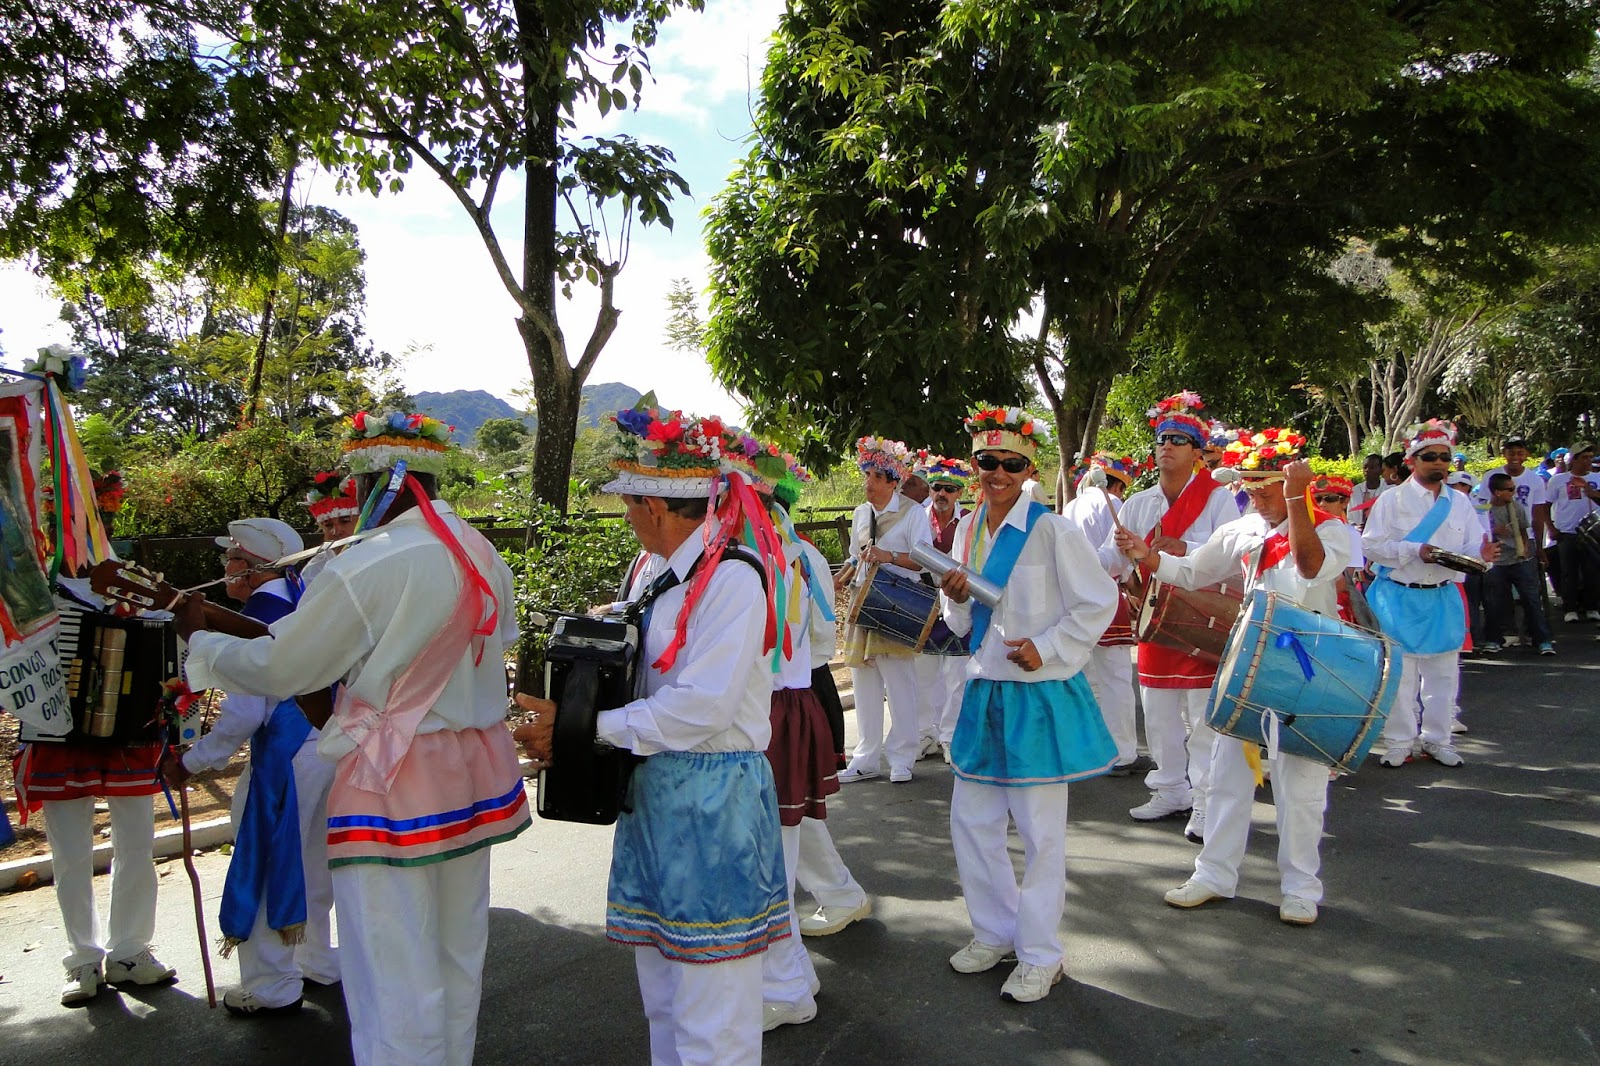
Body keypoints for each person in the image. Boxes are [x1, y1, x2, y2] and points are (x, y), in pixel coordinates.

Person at [181, 411, 529, 1066]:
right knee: (458, 951)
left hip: (391, 774)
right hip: (475, 769)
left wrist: (202, 642)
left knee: (391, 968)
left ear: (382, 485)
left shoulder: (374, 562)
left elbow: (284, 666)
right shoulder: (483, 551)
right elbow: (495, 646)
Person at [523, 405, 788, 1066]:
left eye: (628, 504)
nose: (625, 516)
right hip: (655, 792)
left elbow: (703, 707)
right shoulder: (650, 575)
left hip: (713, 799)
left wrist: (588, 730)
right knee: (663, 995)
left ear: (657, 508)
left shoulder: (732, 578)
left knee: (713, 1005)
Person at [1117, 432, 1348, 926]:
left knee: (1300, 786)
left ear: (1295, 485)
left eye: (1266, 488)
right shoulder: (1243, 529)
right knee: (1226, 776)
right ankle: (1214, 874)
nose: (1256, 497)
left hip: (1305, 668)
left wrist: (1294, 500)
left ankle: (1300, 887)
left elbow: (1310, 569)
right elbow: (1191, 571)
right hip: (1247, 663)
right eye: (1251, 487)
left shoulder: (1330, 529)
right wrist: (1144, 554)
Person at [938, 404, 1118, 1003]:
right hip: (985, 689)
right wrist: (956, 598)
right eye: (987, 461)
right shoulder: (966, 529)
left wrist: (1047, 646)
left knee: (1041, 832)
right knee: (972, 821)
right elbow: (961, 624)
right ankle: (994, 931)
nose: (996, 472)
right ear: (975, 465)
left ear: (1027, 467)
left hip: (1036, 694)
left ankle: (1041, 953)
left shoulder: (1052, 529)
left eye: (1009, 464)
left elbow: (1098, 602)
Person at [162, 518, 339, 1016]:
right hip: (323, 746)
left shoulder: (263, 611)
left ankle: (270, 984)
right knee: (311, 862)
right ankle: (315, 960)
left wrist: (192, 763)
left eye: (232, 560)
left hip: (285, 756)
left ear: (255, 567)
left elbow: (243, 714)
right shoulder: (305, 598)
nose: (226, 569)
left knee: (265, 863)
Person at [14, 618, 177, 1005]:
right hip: (58, 734)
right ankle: (83, 957)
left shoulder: (135, 597)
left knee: (138, 844)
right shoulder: (38, 595)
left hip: (132, 735)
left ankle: (130, 950)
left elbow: (173, 663)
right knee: (70, 855)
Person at [1107, 392, 1239, 843]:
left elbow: (1233, 556)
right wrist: (1120, 556)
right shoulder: (1139, 503)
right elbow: (1112, 558)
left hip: (1201, 616)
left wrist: (1188, 549)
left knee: (1202, 717)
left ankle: (1205, 800)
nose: (1167, 446)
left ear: (1198, 454)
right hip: (1151, 614)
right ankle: (1170, 788)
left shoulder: (1220, 500)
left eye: (1179, 440)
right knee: (1159, 712)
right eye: (1163, 438)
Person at [1364, 420, 1498, 769]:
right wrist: (1413, 551)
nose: (1438, 463)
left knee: (1443, 676)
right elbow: (1372, 546)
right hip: (1398, 596)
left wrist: (1483, 559)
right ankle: (1399, 742)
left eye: (1443, 457)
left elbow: (1473, 547)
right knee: (1401, 678)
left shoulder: (1461, 503)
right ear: (1412, 461)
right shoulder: (1391, 500)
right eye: (1430, 457)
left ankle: (1438, 740)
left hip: (1442, 594)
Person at [837, 435, 931, 783]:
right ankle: (865, 757)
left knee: (900, 682)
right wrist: (841, 577)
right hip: (864, 601)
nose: (869, 483)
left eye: (877, 477)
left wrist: (888, 556)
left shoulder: (913, 513)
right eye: (867, 475)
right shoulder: (861, 513)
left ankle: (903, 756)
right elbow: (854, 554)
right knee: (864, 679)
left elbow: (925, 562)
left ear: (894, 481)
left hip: (895, 603)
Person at [1063, 453, 1149, 776]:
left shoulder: (1069, 507)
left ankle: (1081, 747)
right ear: (1116, 483)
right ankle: (1121, 752)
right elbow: (1119, 557)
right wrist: (1130, 581)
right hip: (1102, 594)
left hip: (1072, 596)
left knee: (1081, 675)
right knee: (1114, 678)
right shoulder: (1111, 503)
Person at [919, 455, 973, 761]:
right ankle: (926, 732)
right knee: (923, 673)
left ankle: (950, 735)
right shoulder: (917, 519)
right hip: (924, 601)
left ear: (959, 492)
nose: (942, 493)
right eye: (937, 487)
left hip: (957, 602)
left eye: (949, 489)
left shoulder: (968, 521)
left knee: (957, 672)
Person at [1481, 472, 1555, 655]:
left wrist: (1527, 549)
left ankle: (1542, 640)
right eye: (1510, 489)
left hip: (1519, 559)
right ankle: (1493, 638)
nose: (1513, 493)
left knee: (1531, 599)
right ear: (1497, 492)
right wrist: (1493, 530)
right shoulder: (1483, 510)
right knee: (1494, 601)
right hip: (1496, 560)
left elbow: (1523, 529)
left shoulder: (1517, 508)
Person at [1541, 441, 1600, 623]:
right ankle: (1570, 608)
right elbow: (1545, 505)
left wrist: (1590, 491)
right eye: (1584, 458)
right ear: (1574, 459)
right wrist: (1551, 527)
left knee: (1593, 571)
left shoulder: (1597, 478)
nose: (1588, 461)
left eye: (1590, 458)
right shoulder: (1558, 480)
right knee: (1569, 571)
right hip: (1567, 531)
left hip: (1592, 532)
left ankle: (1591, 607)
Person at [300, 473, 361, 586]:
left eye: (345, 521)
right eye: (328, 525)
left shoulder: (378, 553)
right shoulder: (315, 571)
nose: (336, 531)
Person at [1348, 454, 1387, 530]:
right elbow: (1350, 518)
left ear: (1380, 470)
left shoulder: (1388, 488)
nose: (1367, 470)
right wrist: (1355, 527)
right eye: (1365, 467)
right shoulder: (1355, 490)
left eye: (1372, 467)